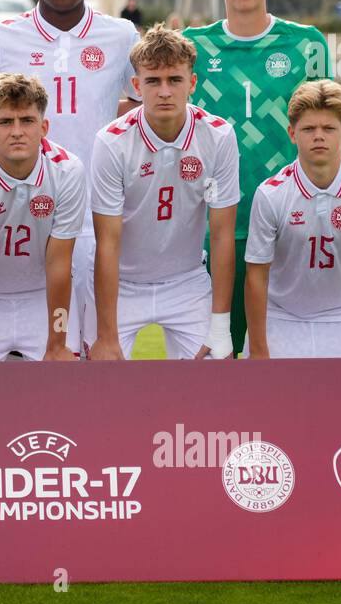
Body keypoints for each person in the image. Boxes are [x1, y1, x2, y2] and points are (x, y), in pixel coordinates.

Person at [0, 0, 141, 356]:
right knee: (9, 345)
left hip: (91, 218)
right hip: (13, 215)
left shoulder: (120, 36)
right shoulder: (2, 39)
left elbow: (142, 111)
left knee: (81, 348)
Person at [183, 0, 331, 357]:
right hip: (215, 225)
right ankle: (220, 429)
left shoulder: (307, 44)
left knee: (289, 352)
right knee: (220, 349)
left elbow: (328, 128)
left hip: (290, 218)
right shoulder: (193, 46)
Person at [88, 25, 240, 361]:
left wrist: (220, 325)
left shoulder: (218, 137)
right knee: (96, 382)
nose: (165, 91)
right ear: (136, 86)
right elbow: (108, 243)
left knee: (219, 373)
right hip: (123, 285)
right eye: (153, 81)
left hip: (186, 281)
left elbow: (221, 235)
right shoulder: (112, 142)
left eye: (175, 80)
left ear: (193, 83)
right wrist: (107, 334)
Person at [245, 80, 341, 358]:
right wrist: (258, 349)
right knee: (269, 401)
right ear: (292, 133)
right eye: (308, 129)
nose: (318, 136)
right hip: (282, 318)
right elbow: (256, 275)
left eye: (328, 129)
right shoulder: (270, 194)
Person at [0, 73, 85, 362]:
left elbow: (60, 263)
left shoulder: (68, 170)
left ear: (44, 126)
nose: (17, 131)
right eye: (5, 122)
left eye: (27, 121)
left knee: (64, 395)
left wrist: (58, 342)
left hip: (43, 296)